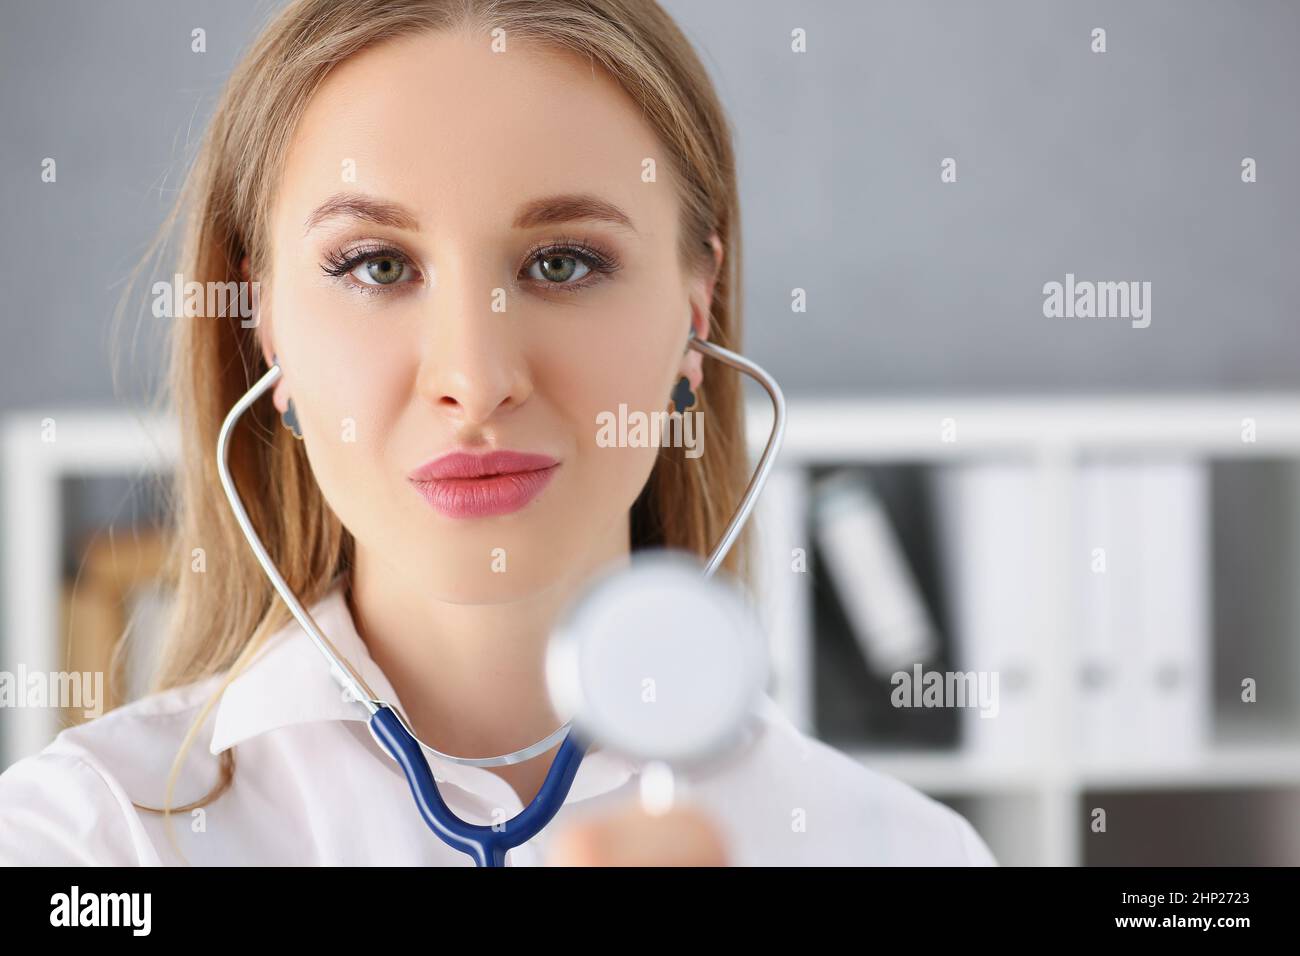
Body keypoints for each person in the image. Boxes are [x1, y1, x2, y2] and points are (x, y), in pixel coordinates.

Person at [0, 0, 996, 867]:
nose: (475, 382)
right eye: (376, 266)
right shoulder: (86, 838)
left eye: (562, 263)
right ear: (265, 327)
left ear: (697, 310)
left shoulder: (904, 851)